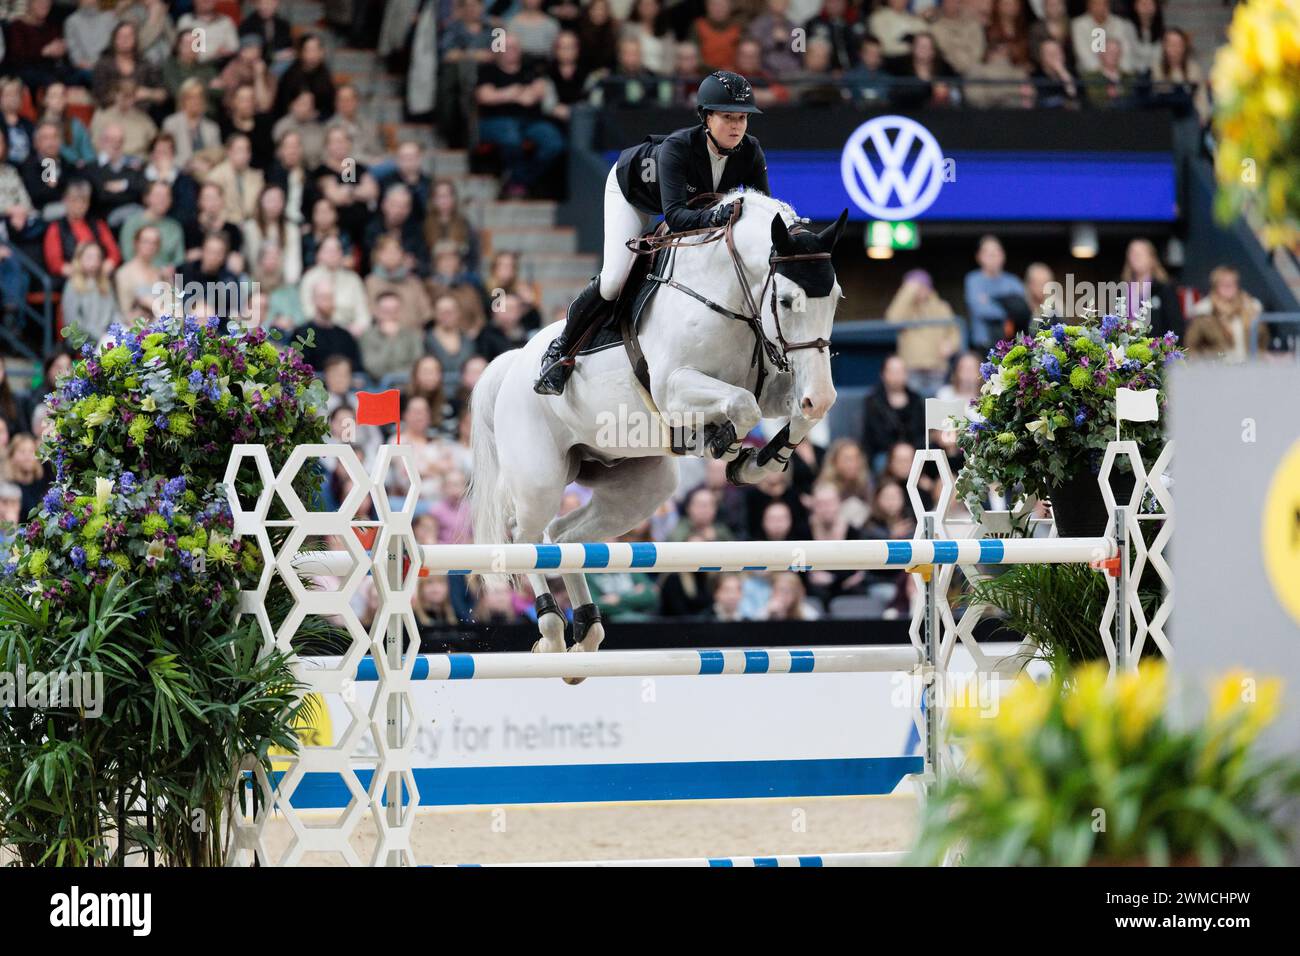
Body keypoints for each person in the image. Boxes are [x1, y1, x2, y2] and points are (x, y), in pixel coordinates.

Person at [534, 70, 769, 395]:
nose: (737, 126)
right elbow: (674, 216)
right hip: (633, 193)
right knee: (615, 279)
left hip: (692, 208)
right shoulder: (678, 147)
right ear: (706, 117)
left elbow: (761, 210)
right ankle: (560, 352)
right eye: (728, 117)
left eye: (743, 118)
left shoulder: (751, 150)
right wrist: (718, 215)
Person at [474, 34, 566, 200]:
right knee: (511, 138)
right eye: (507, 47)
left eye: (515, 48)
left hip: (530, 122)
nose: (511, 51)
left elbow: (538, 92)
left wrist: (503, 94)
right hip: (496, 122)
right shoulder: (489, 70)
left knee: (554, 143)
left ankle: (518, 180)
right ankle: (518, 183)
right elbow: (484, 96)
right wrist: (513, 93)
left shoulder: (530, 69)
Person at [884, 269, 961, 396]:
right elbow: (892, 320)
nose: (919, 290)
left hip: (937, 367)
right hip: (911, 367)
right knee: (914, 405)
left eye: (922, 286)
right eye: (914, 287)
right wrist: (908, 291)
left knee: (937, 405)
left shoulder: (941, 307)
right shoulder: (905, 309)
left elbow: (955, 332)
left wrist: (950, 345)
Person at [1185, 266, 1267, 362]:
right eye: (1224, 284)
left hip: (1248, 368)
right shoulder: (1204, 313)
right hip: (1217, 369)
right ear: (1215, 286)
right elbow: (1190, 346)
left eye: (1232, 283)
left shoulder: (1251, 309)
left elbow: (1263, 340)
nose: (1228, 286)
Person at [861, 355, 926, 474]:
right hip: (884, 453)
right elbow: (874, 436)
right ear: (883, 374)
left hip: (913, 452)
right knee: (881, 462)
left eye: (900, 371)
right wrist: (897, 452)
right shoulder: (873, 401)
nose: (896, 376)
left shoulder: (916, 400)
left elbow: (921, 432)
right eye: (892, 371)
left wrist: (908, 450)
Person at [963, 233, 1024, 349]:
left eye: (996, 253)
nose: (993, 257)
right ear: (979, 256)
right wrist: (1007, 309)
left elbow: (1021, 311)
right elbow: (980, 309)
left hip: (1010, 344)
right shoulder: (973, 280)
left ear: (1003, 255)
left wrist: (990, 302)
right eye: (988, 254)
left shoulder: (1013, 281)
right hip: (983, 344)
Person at [1120, 237, 1183, 338]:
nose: (1136, 257)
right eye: (1133, 253)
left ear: (1152, 258)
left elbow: (1176, 326)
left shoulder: (1164, 289)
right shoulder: (1121, 291)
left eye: (1141, 253)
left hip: (1156, 350)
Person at [61, 242, 121, 341]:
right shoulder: (72, 285)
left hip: (106, 336)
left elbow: (114, 312)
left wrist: (118, 330)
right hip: (81, 340)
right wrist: (99, 336)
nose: (94, 261)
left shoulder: (106, 283)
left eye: (98, 257)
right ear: (79, 259)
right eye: (89, 257)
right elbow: (71, 321)